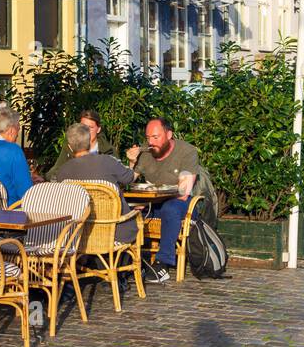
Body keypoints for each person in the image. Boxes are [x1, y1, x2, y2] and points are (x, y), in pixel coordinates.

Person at [127, 118, 217, 282]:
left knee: (171, 208)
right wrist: (132, 162)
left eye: (156, 137)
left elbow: (184, 190)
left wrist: (156, 193)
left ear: (169, 135)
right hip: (154, 203)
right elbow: (128, 180)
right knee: (127, 208)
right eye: (148, 138)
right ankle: (129, 262)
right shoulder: (145, 154)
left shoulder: (187, 151)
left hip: (183, 203)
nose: (151, 142)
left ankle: (163, 264)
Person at [52, 121, 138, 244]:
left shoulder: (63, 172)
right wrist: (133, 163)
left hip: (80, 234)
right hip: (116, 232)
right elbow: (129, 178)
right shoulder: (107, 161)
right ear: (89, 143)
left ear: (70, 147)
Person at [47, 109, 114, 180]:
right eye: (83, 127)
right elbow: (56, 169)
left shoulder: (108, 150)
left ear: (98, 129)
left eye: (90, 127)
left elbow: (118, 175)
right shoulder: (70, 145)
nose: (86, 131)